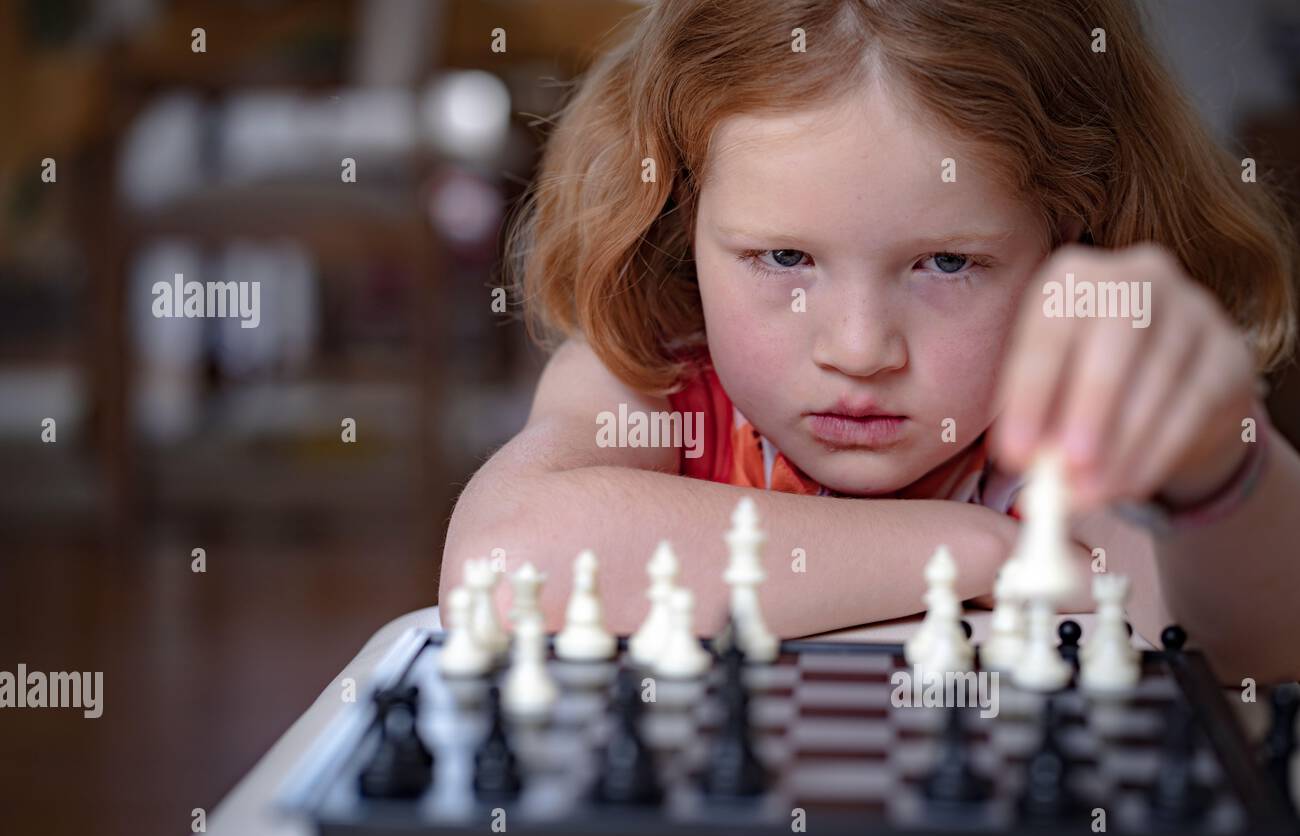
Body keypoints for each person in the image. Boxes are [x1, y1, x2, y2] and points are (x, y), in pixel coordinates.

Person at [442, 0, 1299, 681]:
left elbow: (1246, 651)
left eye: (948, 262)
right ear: (678, 217)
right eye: (783, 257)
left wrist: (1213, 465)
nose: (858, 350)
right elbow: (502, 565)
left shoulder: (1063, 418)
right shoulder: (650, 381)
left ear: (1070, 239)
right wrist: (982, 549)